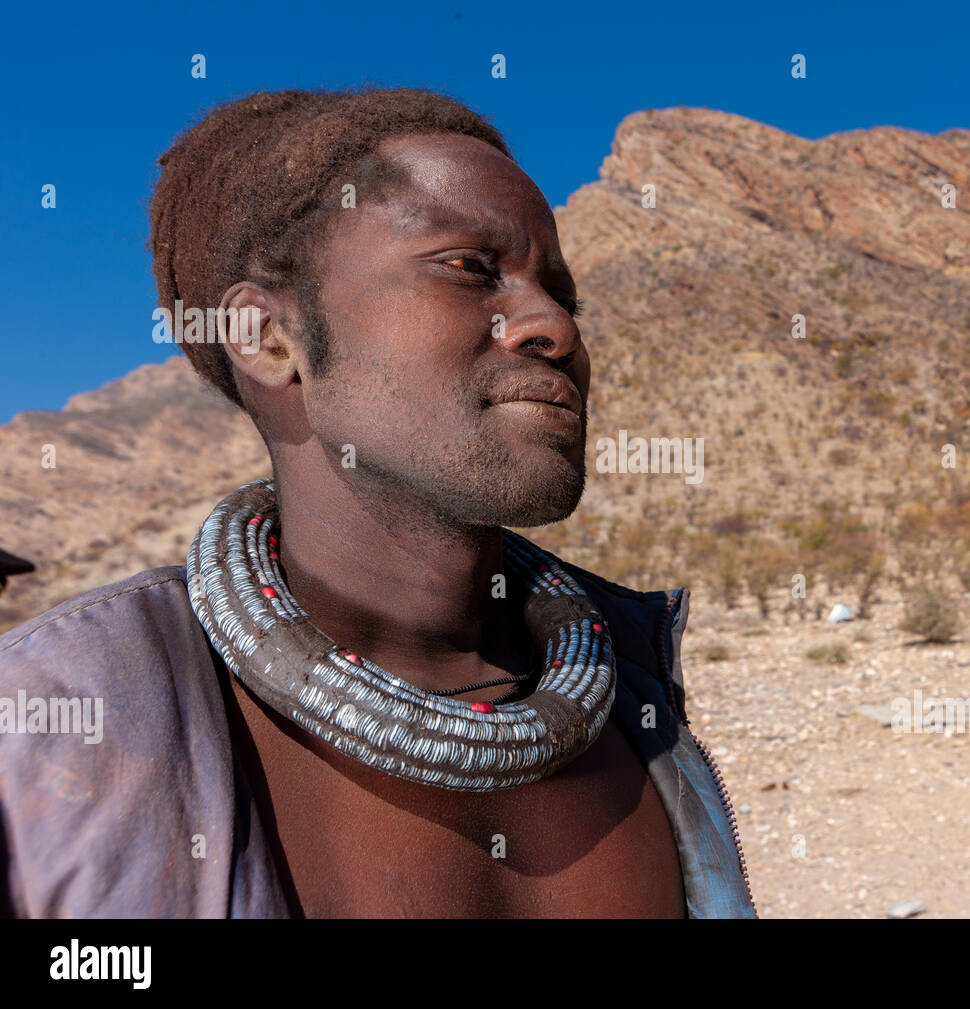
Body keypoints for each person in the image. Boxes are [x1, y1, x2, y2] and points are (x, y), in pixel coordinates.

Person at [0, 88, 754, 919]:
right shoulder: (53, 725)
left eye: (562, 295)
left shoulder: (633, 701)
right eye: (470, 267)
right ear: (269, 338)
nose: (554, 327)